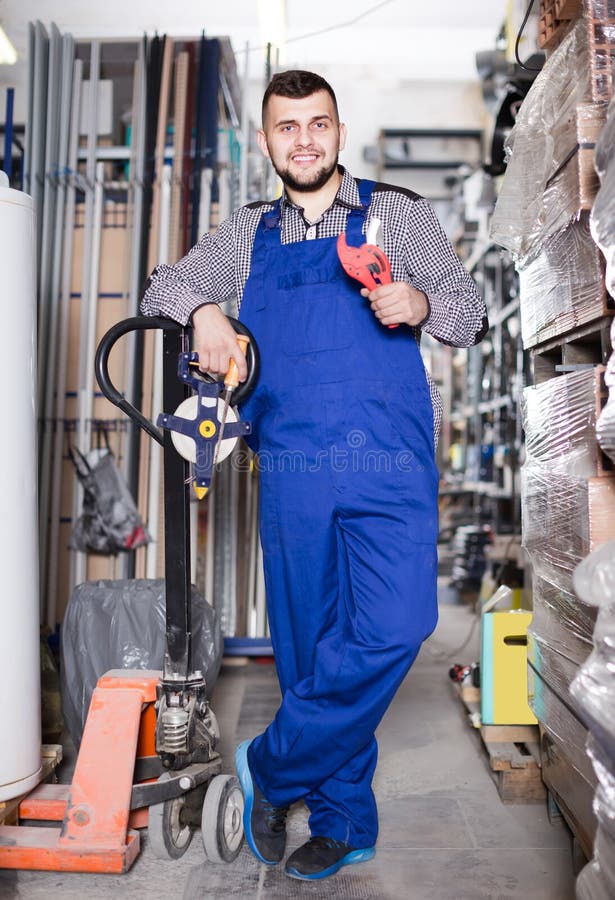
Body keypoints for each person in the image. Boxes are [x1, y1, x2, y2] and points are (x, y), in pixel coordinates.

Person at [141, 69, 488, 881]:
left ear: (339, 130)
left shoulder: (394, 214)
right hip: (293, 466)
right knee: (308, 649)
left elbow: (469, 312)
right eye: (286, 127)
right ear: (267, 141)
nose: (304, 140)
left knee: (399, 625)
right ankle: (338, 820)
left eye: (318, 124)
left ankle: (275, 767)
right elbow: (166, 285)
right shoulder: (246, 234)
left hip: (386, 464)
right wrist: (204, 309)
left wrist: (420, 304)